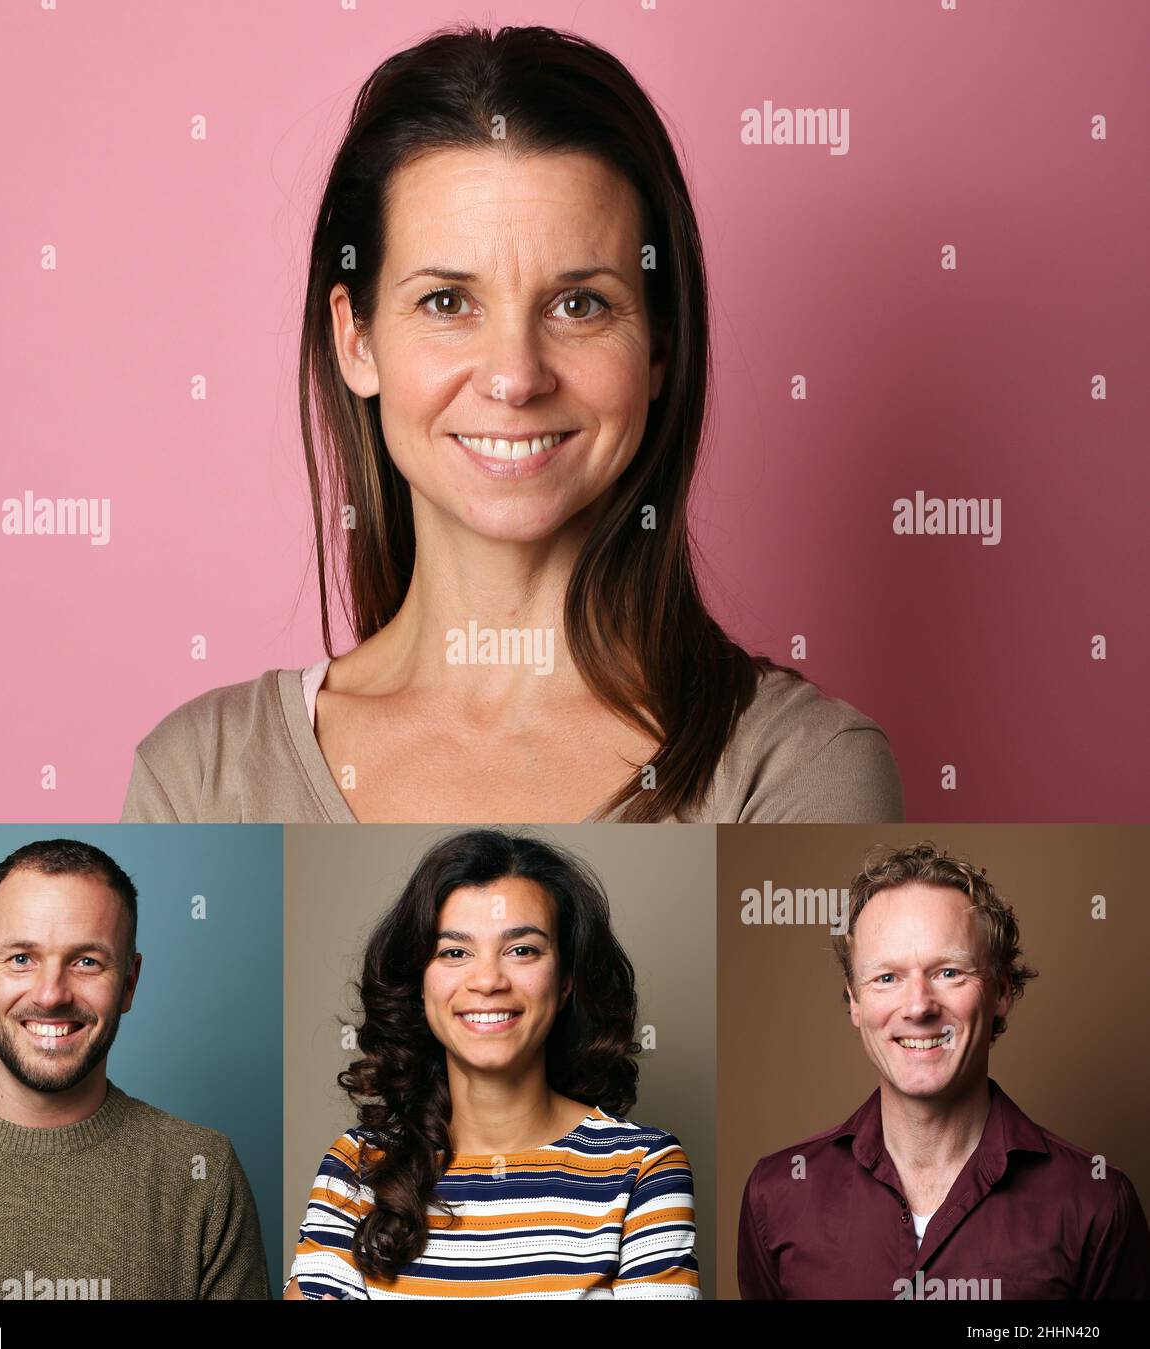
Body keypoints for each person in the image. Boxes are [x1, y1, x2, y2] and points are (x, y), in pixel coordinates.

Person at [121, 23, 903, 826]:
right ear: (357, 342)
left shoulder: (802, 770)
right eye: (448, 302)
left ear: (660, 347)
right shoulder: (197, 782)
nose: (515, 377)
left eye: (579, 304)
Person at [284, 829, 701, 1299]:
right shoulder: (356, 1166)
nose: (487, 980)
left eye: (521, 949)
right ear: (420, 985)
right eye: (455, 952)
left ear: (566, 979)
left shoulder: (643, 1166)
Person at [0, 839, 271, 1300]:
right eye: (21, 959)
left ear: (129, 983)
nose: (51, 995)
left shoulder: (204, 1174)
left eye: (86, 961)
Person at [737, 842, 1150, 1300]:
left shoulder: (1097, 1204)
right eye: (887, 978)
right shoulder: (776, 1195)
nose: (918, 1006)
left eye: (949, 972)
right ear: (855, 1001)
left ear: (1002, 991)